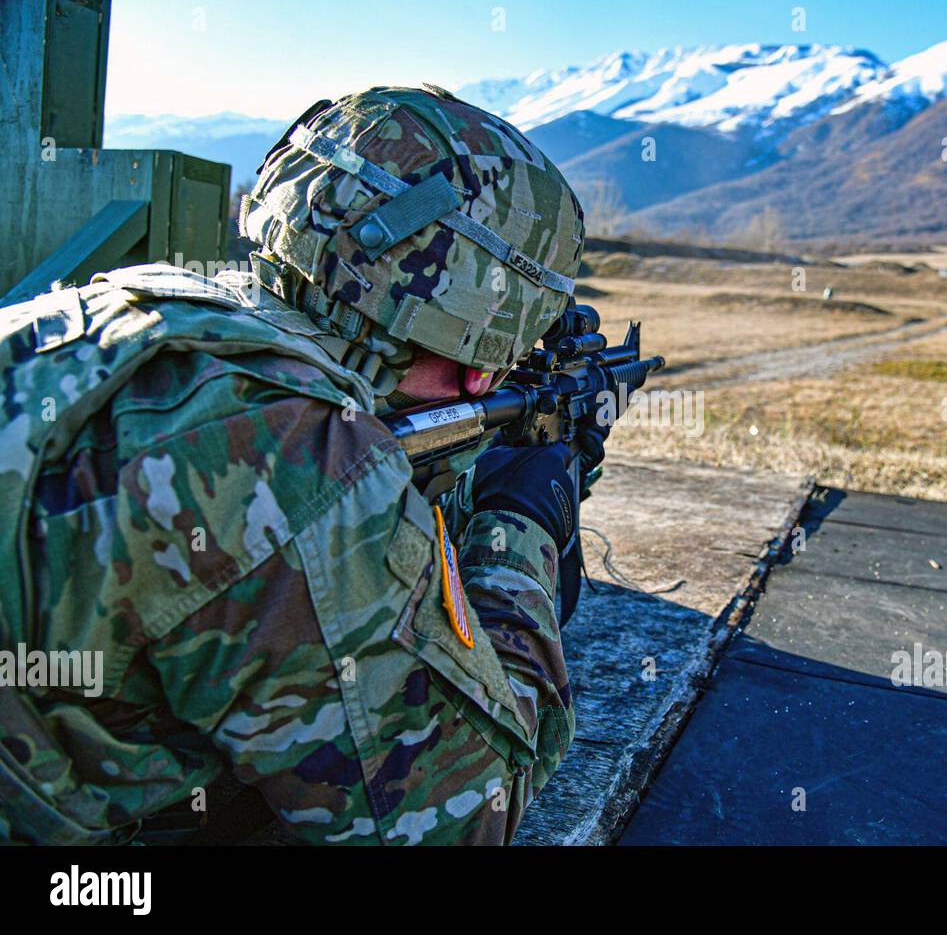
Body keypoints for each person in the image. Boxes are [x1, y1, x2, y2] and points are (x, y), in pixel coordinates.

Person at [0, 85, 597, 845]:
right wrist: (523, 526)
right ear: (483, 350)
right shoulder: (299, 457)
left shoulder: (116, 318)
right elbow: (467, 813)